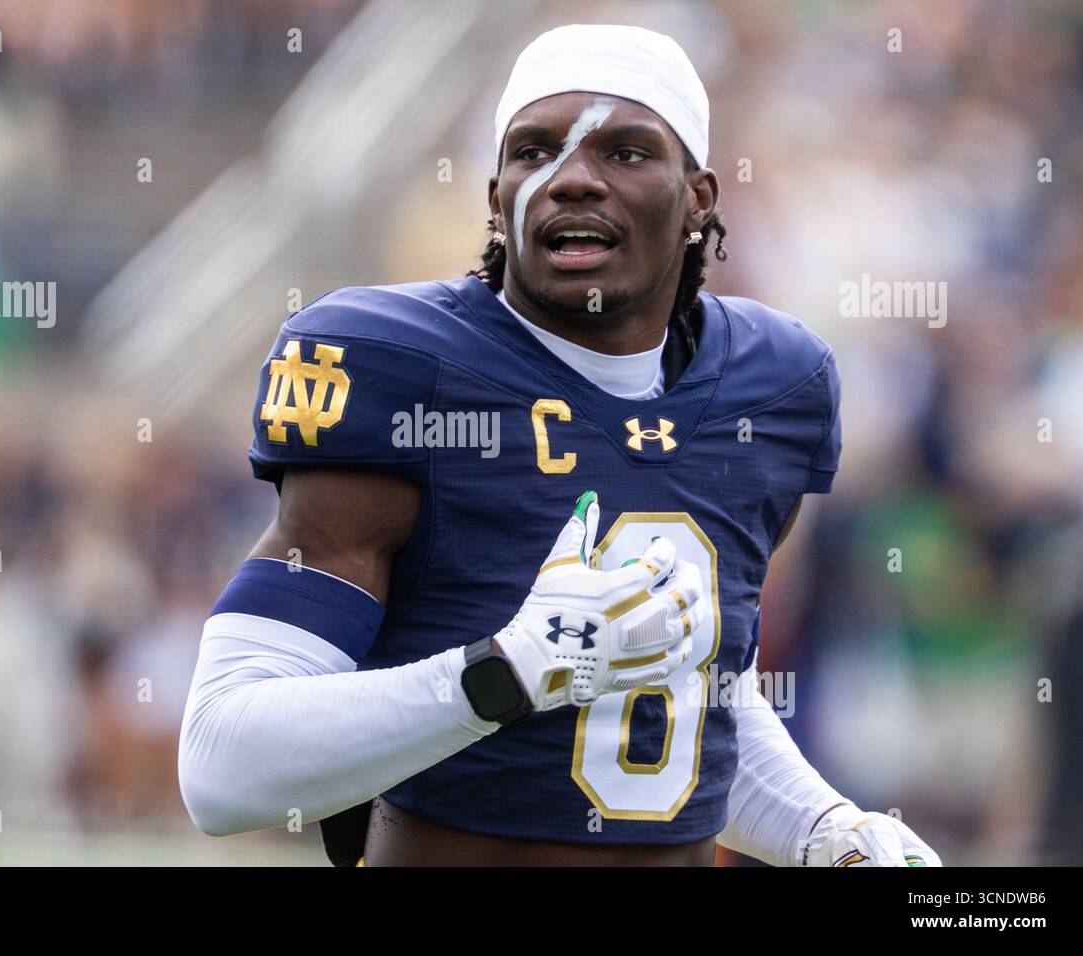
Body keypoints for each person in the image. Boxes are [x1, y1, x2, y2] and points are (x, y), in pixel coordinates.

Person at [178, 23, 940, 867]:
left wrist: (821, 830)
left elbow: (692, 689)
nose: (573, 178)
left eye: (624, 152)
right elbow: (222, 766)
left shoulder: (774, 384)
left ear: (699, 200)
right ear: (497, 195)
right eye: (535, 149)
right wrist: (500, 674)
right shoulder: (399, 368)